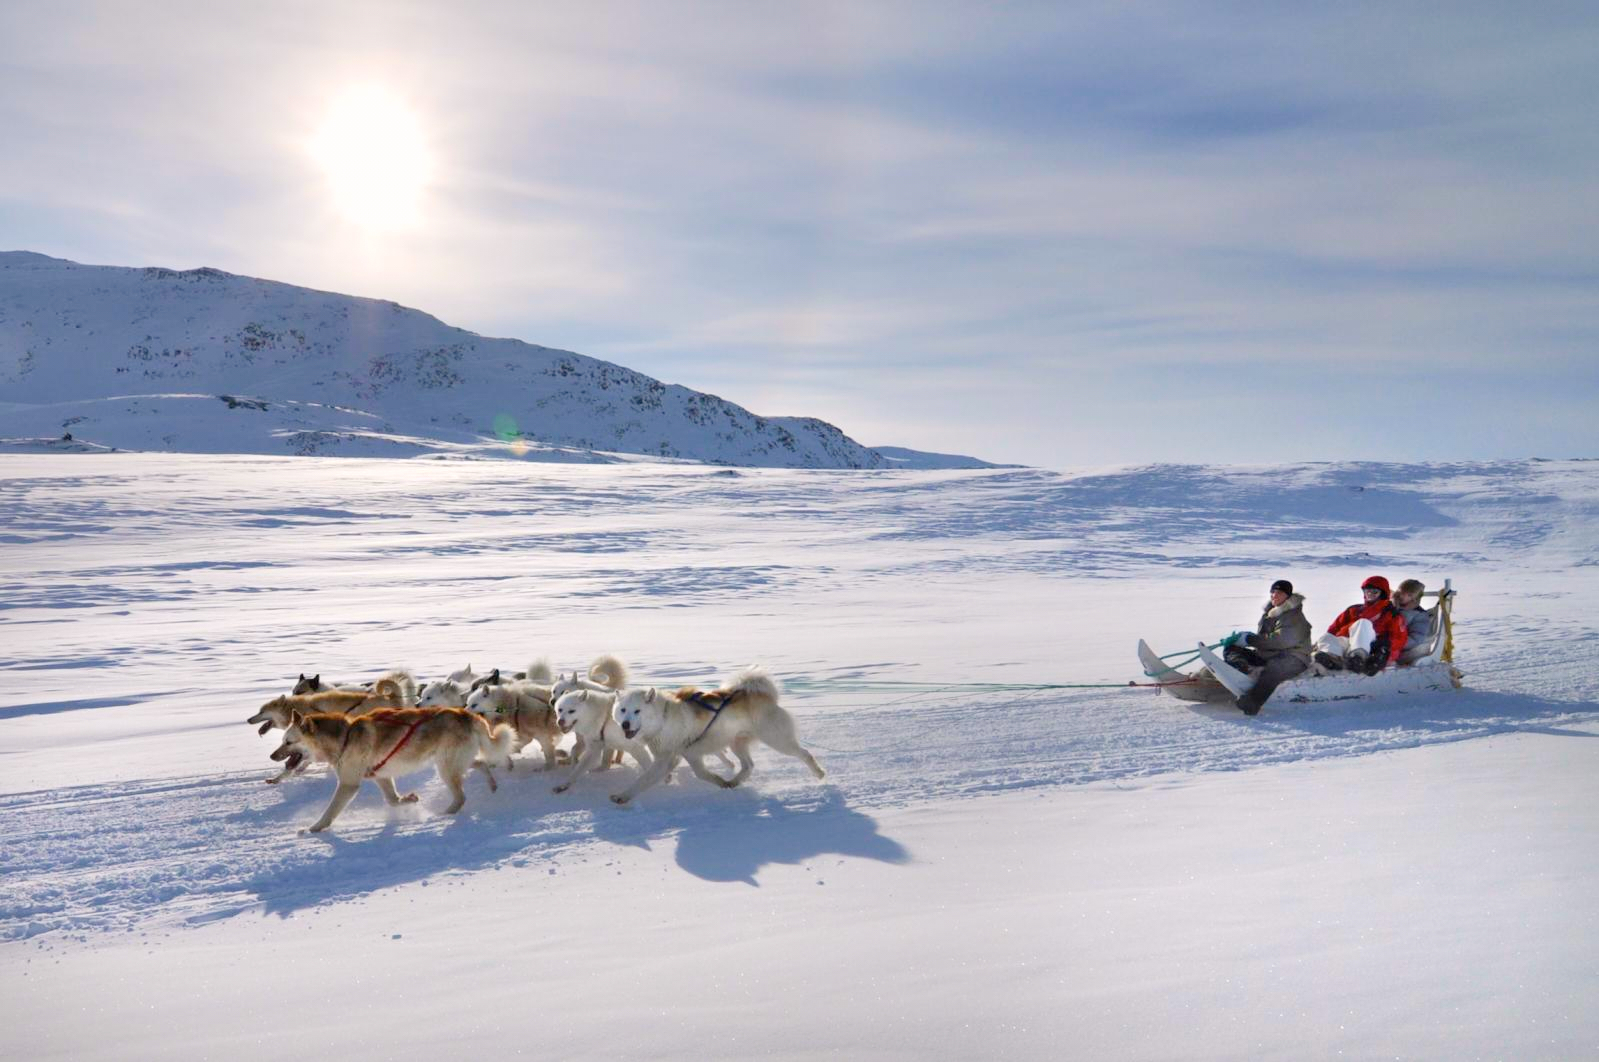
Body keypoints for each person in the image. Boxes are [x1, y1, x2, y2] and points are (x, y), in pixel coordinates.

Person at [1221, 578, 1312, 716]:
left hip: (1295, 658)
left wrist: (1249, 639)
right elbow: (1265, 637)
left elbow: (1279, 641)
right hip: (1270, 654)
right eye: (1273, 592)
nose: (1274, 595)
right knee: (1231, 648)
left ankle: (1252, 703)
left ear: (1288, 596)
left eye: (1279, 593)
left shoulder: (1294, 616)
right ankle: (1240, 667)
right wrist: (1242, 638)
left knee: (1274, 670)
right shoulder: (1271, 612)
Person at [1313, 575, 1408, 675]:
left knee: (1363, 623)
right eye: (1368, 591)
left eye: (1375, 592)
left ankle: (1358, 658)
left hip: (1370, 647)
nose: (1370, 594)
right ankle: (1332, 658)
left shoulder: (1391, 614)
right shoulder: (1354, 609)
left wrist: (1384, 652)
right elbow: (1333, 629)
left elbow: (1399, 639)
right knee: (1326, 636)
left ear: (1383, 594)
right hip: (1347, 643)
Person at [1393, 578, 1434, 665]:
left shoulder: (1420, 615)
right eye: (1401, 592)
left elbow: (1416, 638)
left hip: (1401, 650)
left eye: (1409, 595)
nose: (1402, 596)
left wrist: (1394, 643)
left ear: (1414, 598)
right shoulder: (1389, 607)